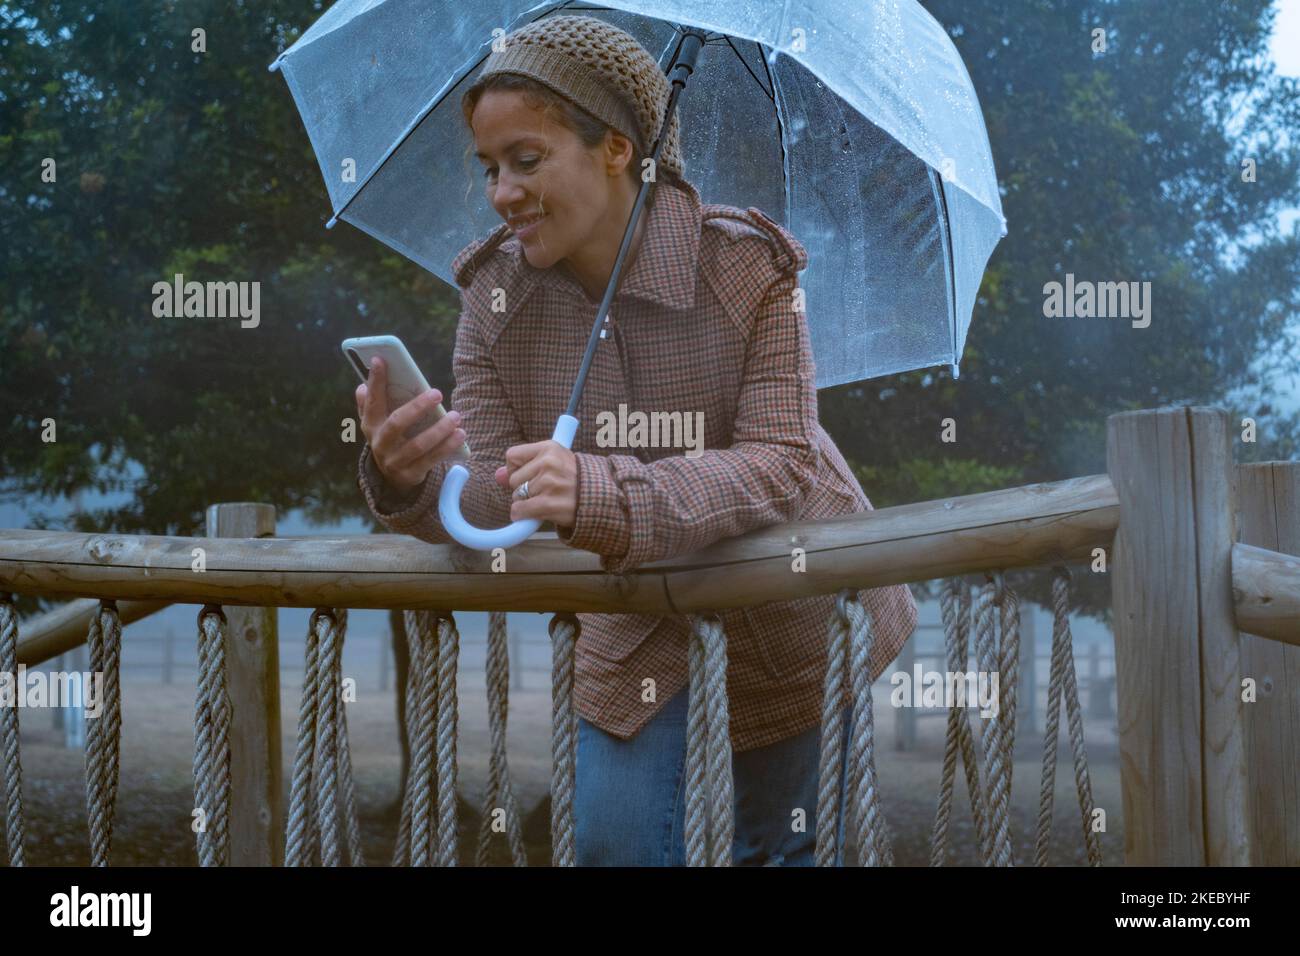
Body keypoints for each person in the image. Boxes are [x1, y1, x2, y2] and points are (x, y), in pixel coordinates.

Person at [355, 14, 917, 866]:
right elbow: (499, 496)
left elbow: (779, 462)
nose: (502, 192)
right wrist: (415, 478)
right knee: (613, 845)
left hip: (794, 610)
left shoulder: (750, 269)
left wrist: (601, 492)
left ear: (618, 149)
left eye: (528, 159)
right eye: (490, 167)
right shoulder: (493, 297)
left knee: (787, 849)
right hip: (629, 622)